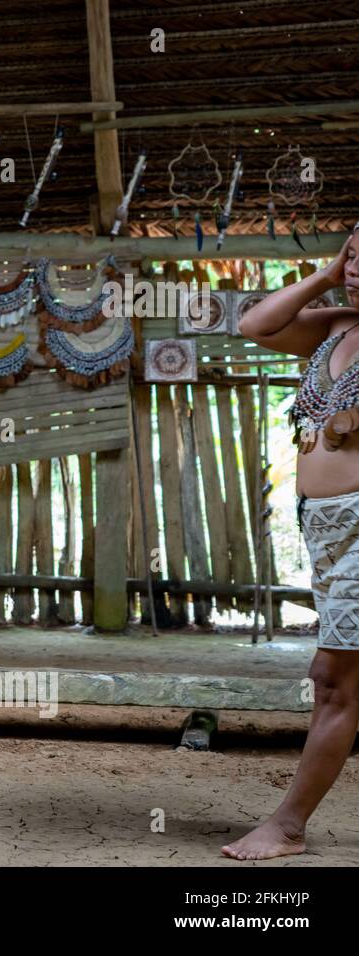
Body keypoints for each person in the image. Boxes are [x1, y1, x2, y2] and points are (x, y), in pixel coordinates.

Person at [224, 228, 359, 860]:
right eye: (353, 253)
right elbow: (255, 323)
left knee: (333, 679)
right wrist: (328, 276)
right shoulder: (335, 325)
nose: (356, 268)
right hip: (322, 524)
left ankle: (289, 825)